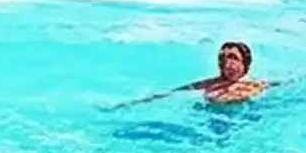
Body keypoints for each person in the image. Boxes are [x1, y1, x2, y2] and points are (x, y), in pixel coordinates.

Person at [115, 41, 272, 108]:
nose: (228, 63)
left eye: (233, 58)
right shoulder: (210, 83)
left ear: (245, 63)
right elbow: (174, 92)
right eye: (223, 58)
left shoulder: (255, 85)